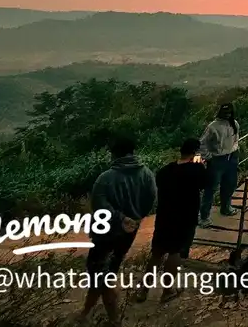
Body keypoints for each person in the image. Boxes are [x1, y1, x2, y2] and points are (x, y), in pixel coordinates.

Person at [81, 134, 157, 325]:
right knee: (108, 271)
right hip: (128, 234)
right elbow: (151, 198)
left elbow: (99, 205)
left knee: (100, 274)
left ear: (114, 154)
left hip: (105, 233)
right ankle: (86, 312)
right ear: (133, 152)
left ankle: (114, 319)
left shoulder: (106, 178)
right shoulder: (147, 174)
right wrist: (136, 218)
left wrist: (121, 218)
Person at [136, 137, 209, 303]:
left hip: (164, 216)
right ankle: (167, 290)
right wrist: (202, 165)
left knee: (157, 253)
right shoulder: (196, 169)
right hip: (185, 217)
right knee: (175, 252)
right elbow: (206, 184)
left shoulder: (165, 170)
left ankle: (143, 290)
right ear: (195, 153)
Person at [199, 102, 239, 227]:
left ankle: (226, 208)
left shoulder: (234, 123)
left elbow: (236, 139)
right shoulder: (213, 127)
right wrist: (210, 157)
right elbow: (202, 143)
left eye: (229, 113)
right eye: (225, 113)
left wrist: (235, 151)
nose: (227, 115)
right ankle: (204, 217)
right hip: (217, 160)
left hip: (232, 157)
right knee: (211, 188)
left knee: (230, 185)